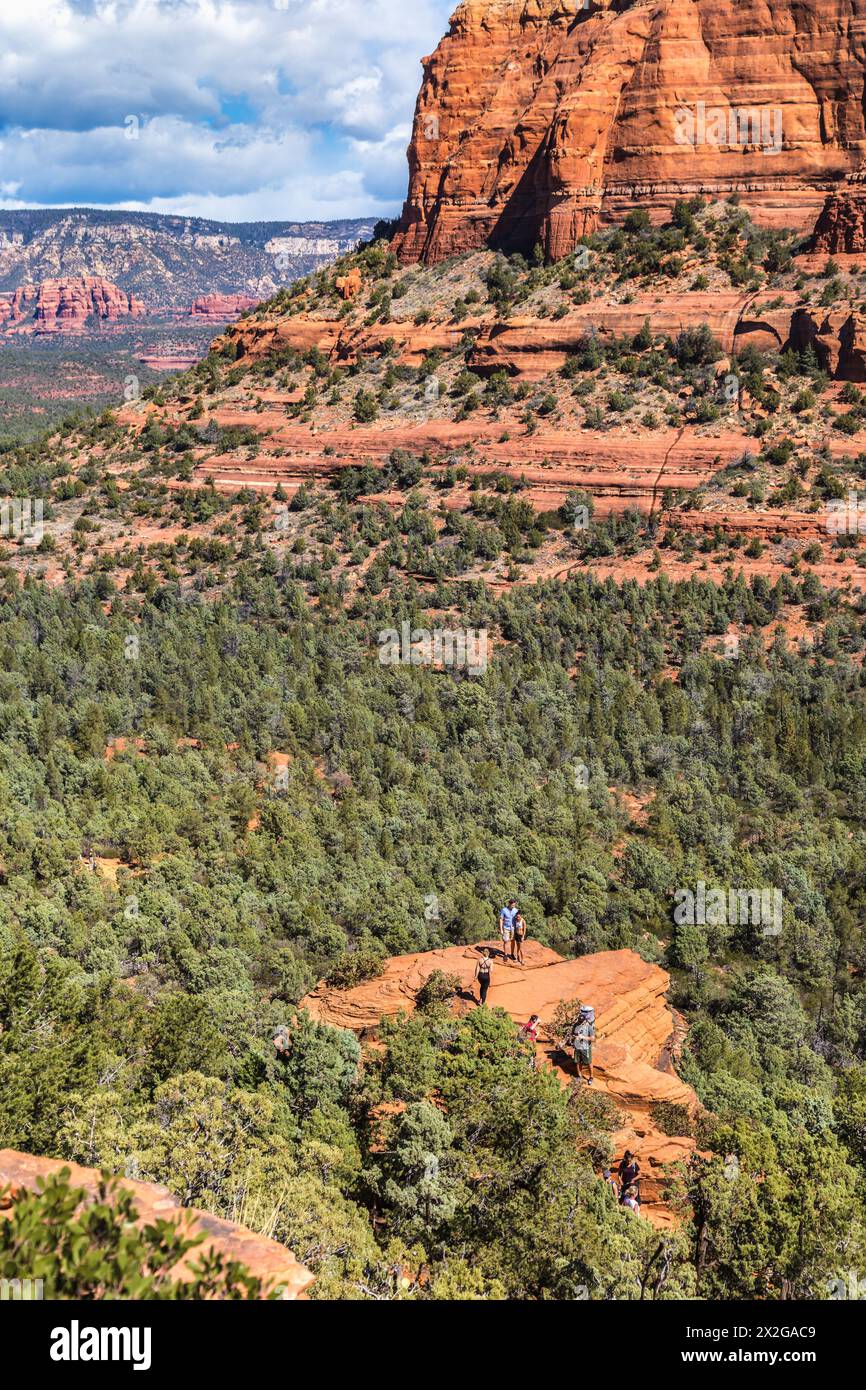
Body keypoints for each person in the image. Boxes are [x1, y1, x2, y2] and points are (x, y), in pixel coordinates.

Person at [572, 1003, 596, 1084]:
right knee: (577, 1062)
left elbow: (593, 1038)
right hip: (577, 1046)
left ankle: (591, 1077)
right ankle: (579, 1076)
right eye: (579, 1018)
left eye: (581, 1018)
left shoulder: (589, 1026)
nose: (580, 1019)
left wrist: (583, 1037)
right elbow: (573, 1034)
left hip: (585, 1047)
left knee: (589, 1062)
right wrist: (575, 1037)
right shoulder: (576, 1025)